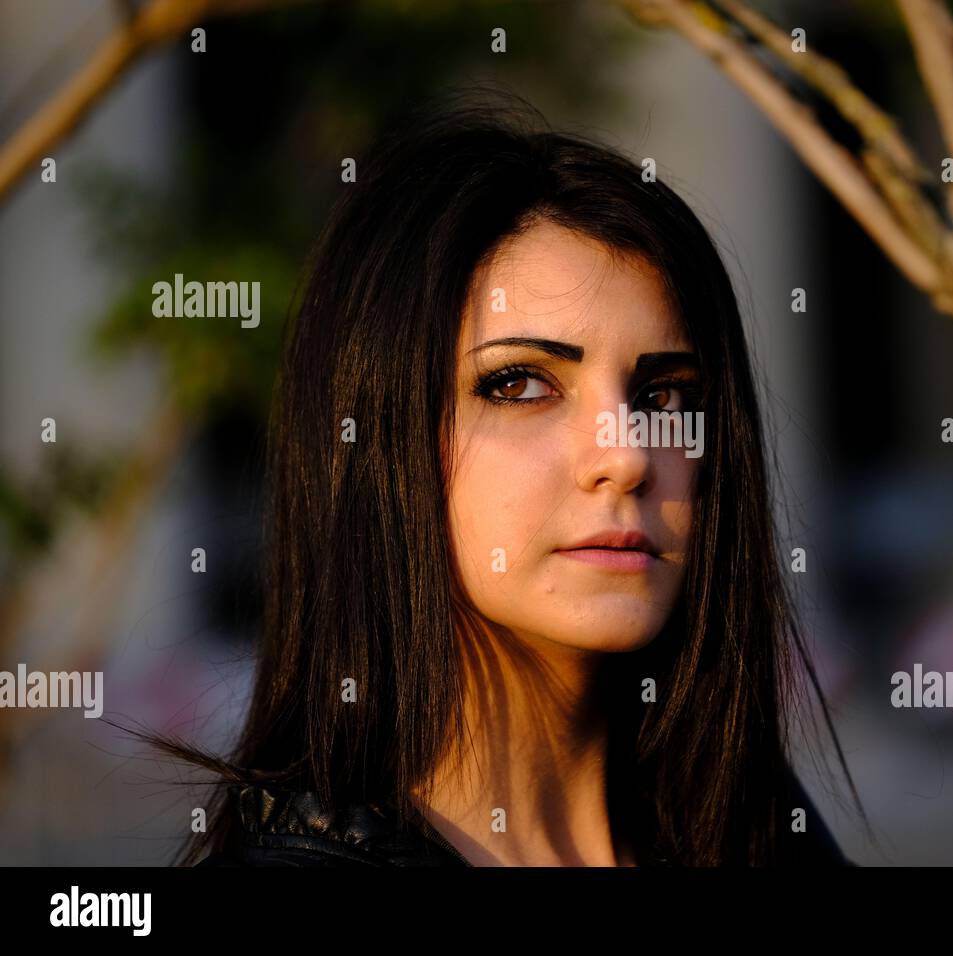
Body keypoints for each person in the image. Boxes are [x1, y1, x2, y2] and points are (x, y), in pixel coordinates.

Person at [146, 89, 865, 867]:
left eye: (664, 396)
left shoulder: (752, 826)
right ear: (378, 442)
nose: (624, 456)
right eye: (521, 385)